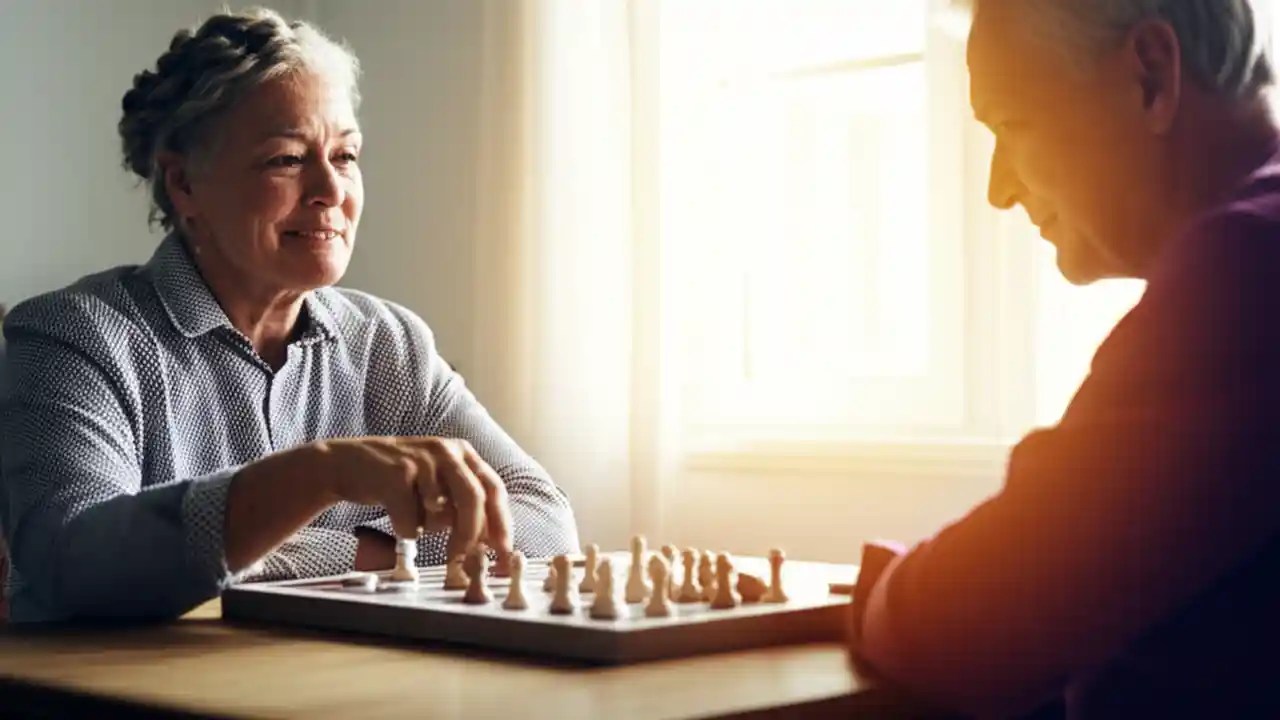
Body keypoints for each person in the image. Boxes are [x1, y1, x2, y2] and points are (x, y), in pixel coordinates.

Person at [0, 8, 580, 623]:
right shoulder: (74, 335)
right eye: (286, 159)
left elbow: (543, 522)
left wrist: (367, 548)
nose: (331, 189)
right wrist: (313, 477)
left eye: (346, 155)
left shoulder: (389, 342)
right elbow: (75, 563)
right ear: (184, 185)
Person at [851, 1, 1280, 717]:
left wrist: (882, 591)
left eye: (1011, 127)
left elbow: (978, 620)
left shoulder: (1248, 264)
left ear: (1150, 76)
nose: (999, 189)